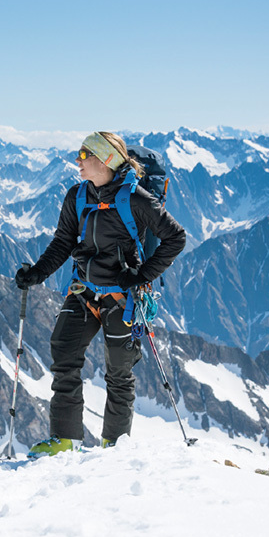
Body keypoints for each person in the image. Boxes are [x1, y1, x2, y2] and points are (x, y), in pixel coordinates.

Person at [15, 131, 186, 456]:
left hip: (122, 297)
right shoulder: (77, 197)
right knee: (64, 351)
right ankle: (64, 439)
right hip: (84, 289)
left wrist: (143, 275)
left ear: (106, 159)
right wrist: (36, 273)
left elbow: (176, 238)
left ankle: (114, 447)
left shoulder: (136, 200)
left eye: (85, 155)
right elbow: (63, 241)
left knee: (119, 371)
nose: (78, 161)